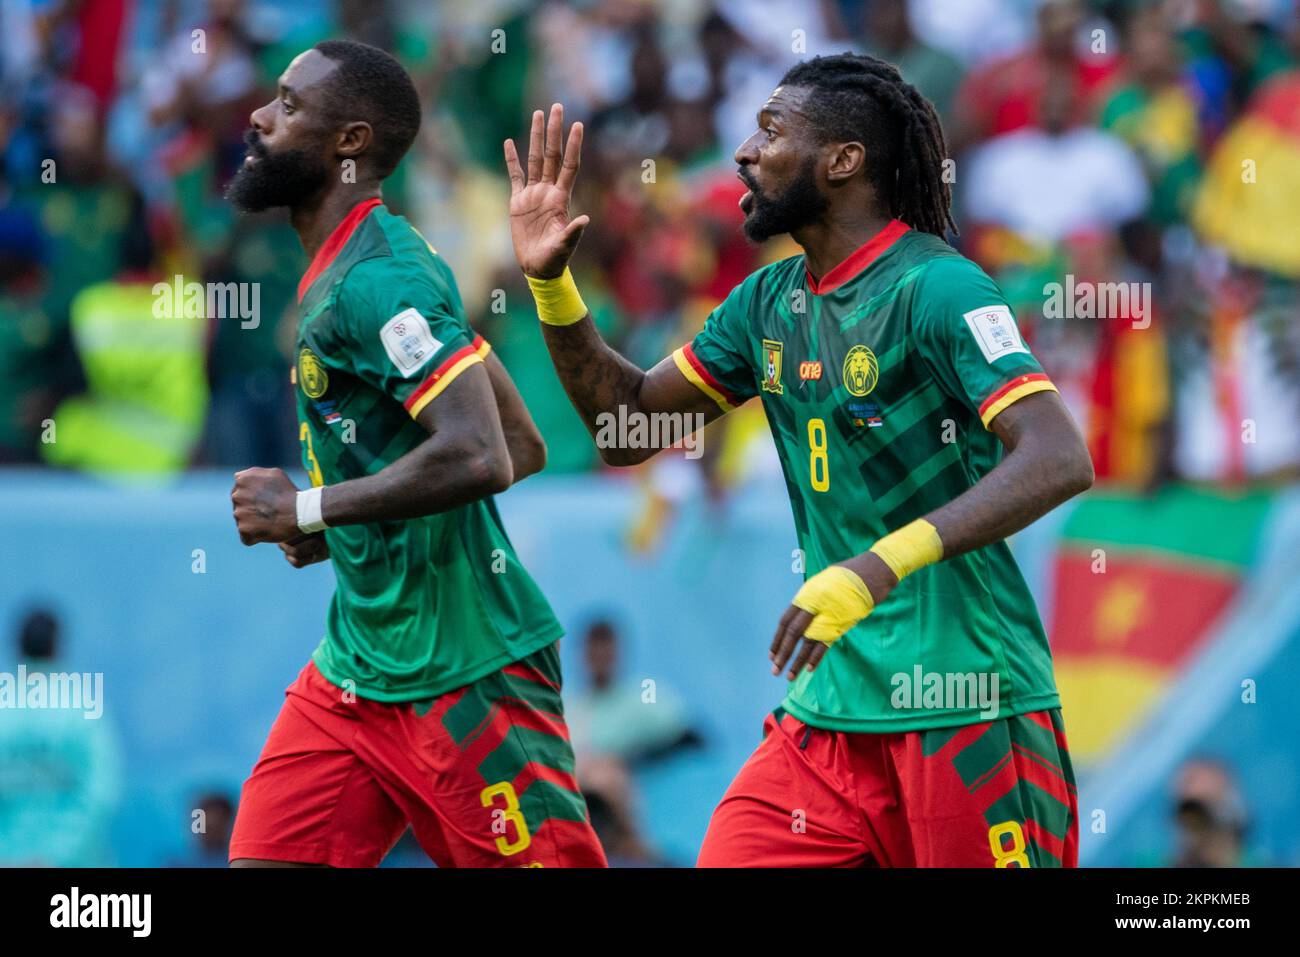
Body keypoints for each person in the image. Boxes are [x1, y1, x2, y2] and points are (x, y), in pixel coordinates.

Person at [504, 52, 1093, 867]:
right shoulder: (763, 304)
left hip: (968, 703)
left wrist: (881, 564)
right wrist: (553, 289)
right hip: (829, 715)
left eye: (771, 131)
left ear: (843, 160)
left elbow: (1061, 455)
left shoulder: (940, 289)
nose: (745, 151)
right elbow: (627, 427)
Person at [222, 39, 605, 868]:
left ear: (349, 142)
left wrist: (308, 508)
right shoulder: (370, 261)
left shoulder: (381, 280)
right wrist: (346, 523)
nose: (258, 116)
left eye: (288, 105)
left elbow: (483, 457)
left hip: (469, 674)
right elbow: (522, 440)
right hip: (357, 669)